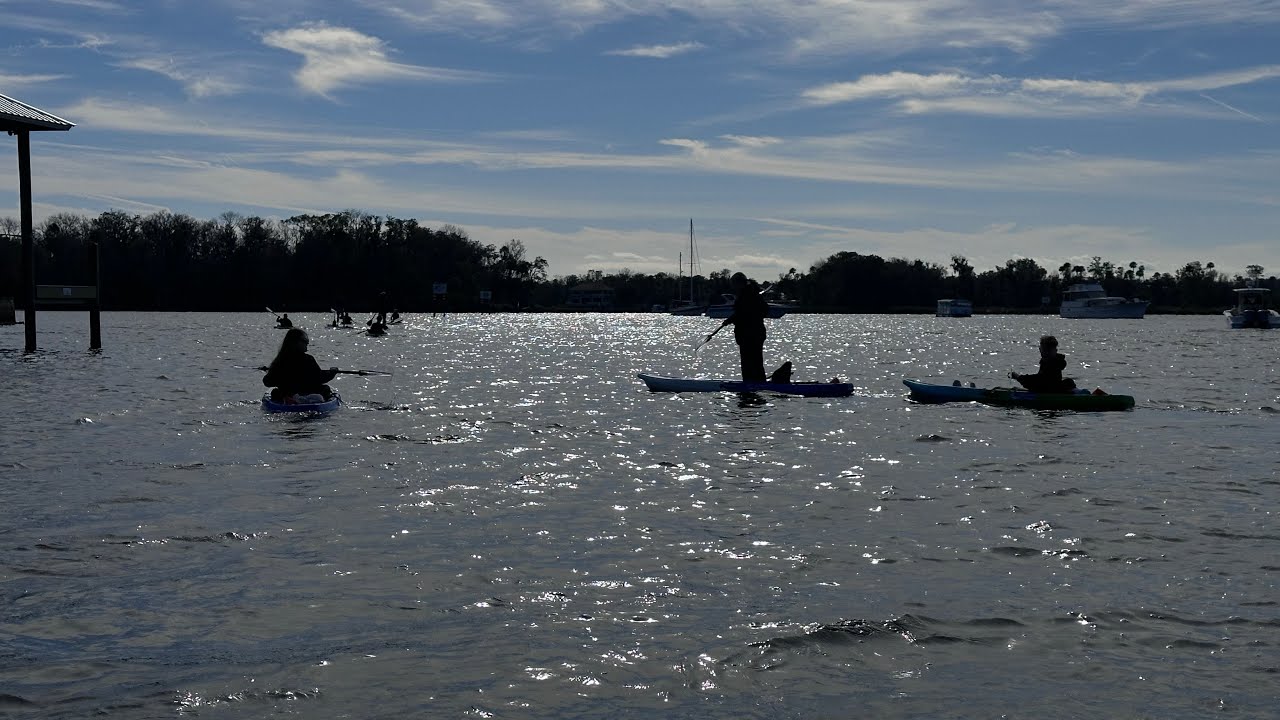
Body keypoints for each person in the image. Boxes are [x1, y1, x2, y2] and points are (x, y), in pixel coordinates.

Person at [715, 272, 770, 382]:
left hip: (749, 335)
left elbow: (743, 313)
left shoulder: (747, 294)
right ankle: (758, 383)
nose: (733, 288)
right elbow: (742, 312)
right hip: (754, 334)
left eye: (734, 284)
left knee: (750, 364)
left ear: (739, 283)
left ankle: (752, 385)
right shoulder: (750, 293)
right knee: (755, 362)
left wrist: (731, 320)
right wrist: (729, 321)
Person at [263, 328, 338, 401]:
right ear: (295, 342)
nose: (307, 343)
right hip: (307, 392)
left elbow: (267, 381)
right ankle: (302, 399)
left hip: (288, 393)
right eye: (304, 341)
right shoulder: (308, 359)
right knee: (326, 389)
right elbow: (319, 378)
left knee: (276, 392)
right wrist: (331, 373)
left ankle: (293, 398)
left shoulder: (280, 360)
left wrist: (271, 371)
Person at [1010, 335, 1076, 393]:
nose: (1045, 353)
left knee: (1068, 382)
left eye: (1048, 350)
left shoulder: (1053, 363)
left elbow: (1040, 380)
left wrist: (1018, 377)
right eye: (1043, 350)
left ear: (1055, 350)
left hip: (1050, 390)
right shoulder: (1048, 361)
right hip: (1050, 388)